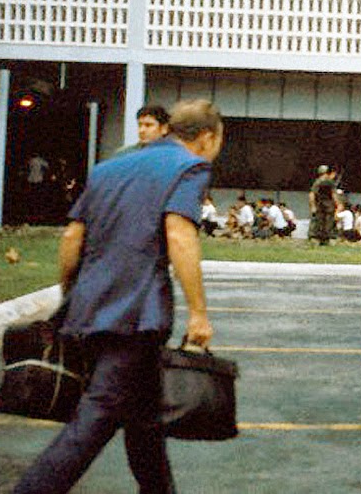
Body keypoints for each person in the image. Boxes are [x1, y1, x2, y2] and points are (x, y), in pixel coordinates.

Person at [12, 99, 223, 494]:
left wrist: (72, 294)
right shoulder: (190, 166)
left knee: (143, 416)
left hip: (91, 306)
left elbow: (72, 236)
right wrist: (199, 313)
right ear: (207, 137)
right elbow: (179, 233)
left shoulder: (108, 168)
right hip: (135, 314)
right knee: (98, 415)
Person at [308, 165, 338, 245]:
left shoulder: (317, 181)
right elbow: (333, 194)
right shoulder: (330, 182)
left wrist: (313, 206)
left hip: (319, 204)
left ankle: (316, 239)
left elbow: (312, 194)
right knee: (328, 222)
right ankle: (327, 239)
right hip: (328, 205)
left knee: (318, 222)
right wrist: (338, 204)